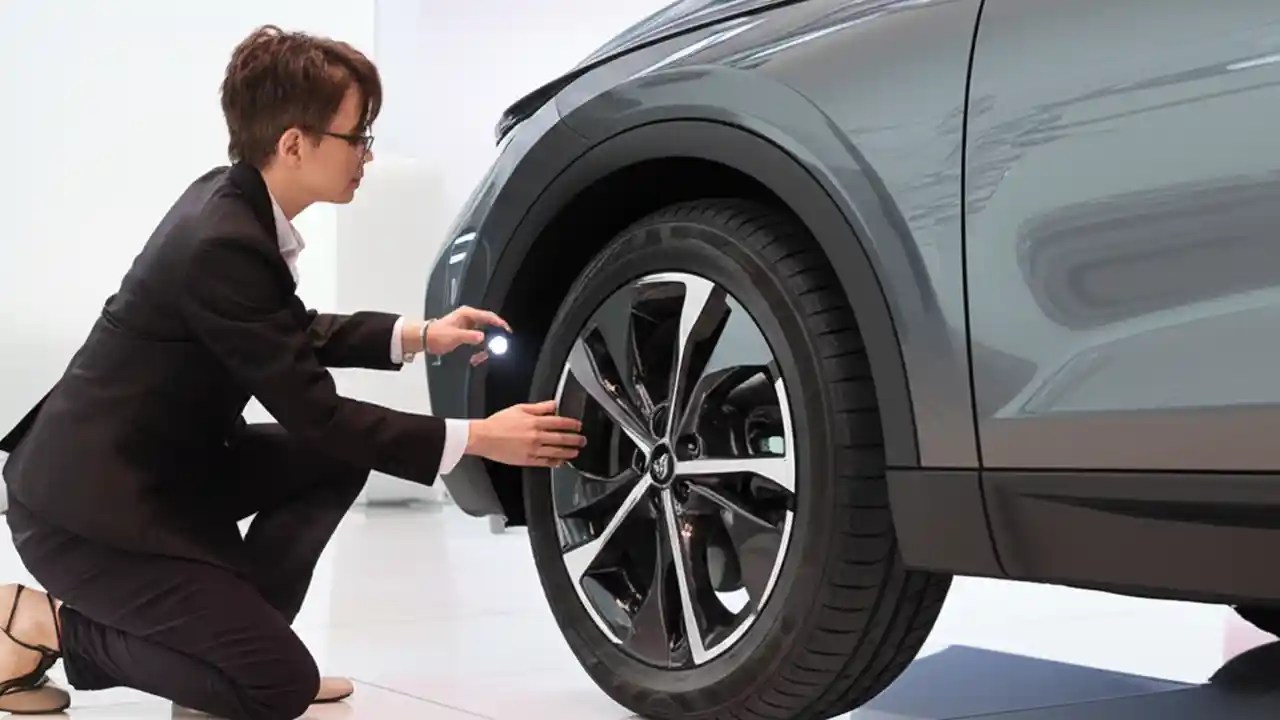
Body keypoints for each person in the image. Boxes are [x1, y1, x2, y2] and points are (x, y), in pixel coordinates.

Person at [0, 25, 585, 719]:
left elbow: (282, 329)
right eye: (357, 136)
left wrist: (421, 335)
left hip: (159, 474)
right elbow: (319, 414)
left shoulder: (232, 205)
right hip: (84, 513)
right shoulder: (221, 241)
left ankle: (235, 654)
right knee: (277, 687)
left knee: (330, 464)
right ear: (294, 144)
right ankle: (45, 625)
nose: (368, 154)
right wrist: (479, 437)